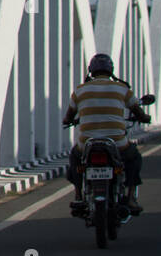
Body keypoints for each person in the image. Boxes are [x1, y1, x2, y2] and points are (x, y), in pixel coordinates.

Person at [63, 52, 149, 216]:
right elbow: (137, 111)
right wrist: (144, 117)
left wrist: (67, 121)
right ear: (111, 70)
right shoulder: (122, 89)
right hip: (116, 142)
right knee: (134, 158)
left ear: (91, 71)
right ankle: (130, 197)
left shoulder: (80, 90)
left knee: (75, 157)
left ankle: (79, 195)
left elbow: (69, 115)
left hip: (87, 142)